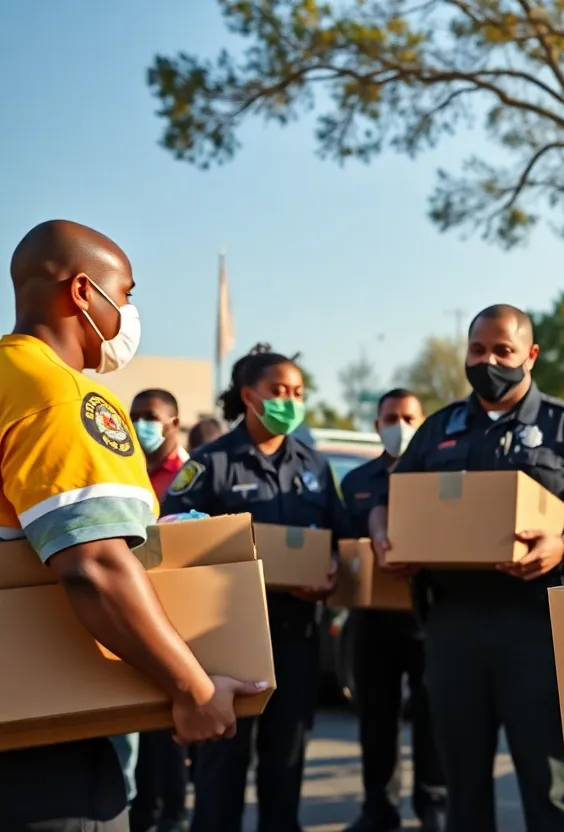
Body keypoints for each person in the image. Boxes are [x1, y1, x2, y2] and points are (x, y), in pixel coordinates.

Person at [0, 220, 265, 829]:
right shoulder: (61, 397)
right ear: (83, 293)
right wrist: (193, 689)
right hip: (43, 746)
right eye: (126, 294)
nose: (129, 313)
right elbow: (93, 565)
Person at [368, 304, 564, 832]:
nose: (487, 360)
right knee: (461, 785)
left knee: (549, 785)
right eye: (477, 350)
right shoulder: (438, 429)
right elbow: (387, 497)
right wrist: (383, 537)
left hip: (537, 628)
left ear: (530, 355)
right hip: (451, 627)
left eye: (502, 350)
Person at [161, 344, 342, 832]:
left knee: (287, 762)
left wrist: (328, 574)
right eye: (278, 390)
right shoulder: (211, 463)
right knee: (222, 766)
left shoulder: (314, 466)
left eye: (298, 392)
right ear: (248, 395)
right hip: (227, 639)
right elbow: (169, 533)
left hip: (297, 632)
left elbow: (338, 540)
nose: (290, 400)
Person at [340, 389, 447, 832]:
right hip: (371, 618)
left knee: (432, 717)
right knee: (376, 719)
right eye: (390, 417)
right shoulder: (357, 481)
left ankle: (433, 807)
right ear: (376, 424)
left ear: (422, 423)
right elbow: (345, 545)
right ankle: (378, 809)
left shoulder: (440, 478)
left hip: (427, 614)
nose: (398, 425)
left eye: (408, 417)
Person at [129, 387, 194, 832]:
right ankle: (144, 812)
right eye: (134, 416)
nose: (139, 425)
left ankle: (173, 813)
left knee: (173, 724)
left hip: (175, 611)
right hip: (129, 608)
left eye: (149, 416)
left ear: (173, 422)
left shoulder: (191, 474)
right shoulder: (125, 465)